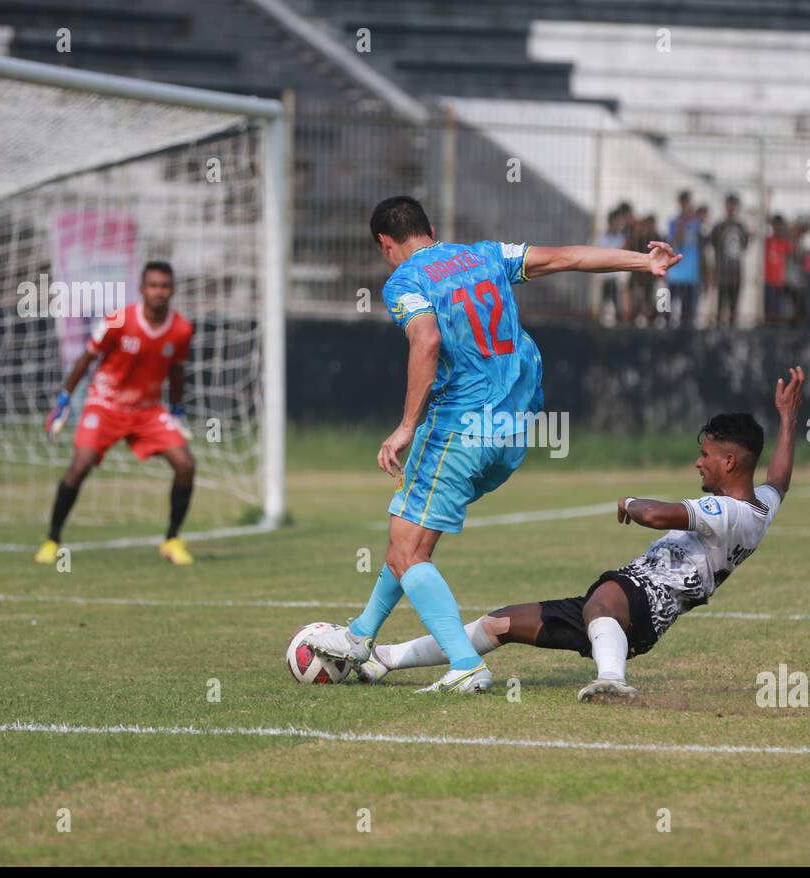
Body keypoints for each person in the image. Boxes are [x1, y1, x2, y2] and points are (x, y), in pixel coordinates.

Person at [303, 196, 683, 691]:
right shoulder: (485, 254)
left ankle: (466, 665)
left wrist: (405, 427)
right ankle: (360, 635)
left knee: (408, 553)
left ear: (386, 243)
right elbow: (567, 257)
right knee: (409, 540)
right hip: (510, 434)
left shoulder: (405, 280)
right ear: (431, 228)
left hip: (458, 428)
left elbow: (426, 341)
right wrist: (643, 261)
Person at [355, 368, 805, 700]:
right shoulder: (761, 506)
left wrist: (630, 504)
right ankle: (386, 658)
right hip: (623, 605)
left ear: (729, 463)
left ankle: (612, 682)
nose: (698, 462)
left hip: (645, 601)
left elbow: (655, 514)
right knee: (502, 622)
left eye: (706, 454)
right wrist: (787, 418)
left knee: (608, 594)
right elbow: (779, 478)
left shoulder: (729, 513)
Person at [36, 261, 196, 566]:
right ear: (142, 289)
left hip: (147, 410)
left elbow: (176, 371)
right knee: (80, 464)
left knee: (185, 464)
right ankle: (52, 540)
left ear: (172, 289)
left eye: (164, 286)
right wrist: (63, 401)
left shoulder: (181, 329)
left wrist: (177, 410)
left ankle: (172, 540)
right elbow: (87, 358)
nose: (159, 292)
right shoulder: (118, 321)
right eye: (153, 285)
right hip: (105, 404)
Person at [709, 193, 749, 326]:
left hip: (736, 271)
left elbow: (744, 247)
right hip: (722, 272)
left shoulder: (741, 227)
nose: (731, 208)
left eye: (733, 205)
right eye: (729, 204)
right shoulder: (718, 227)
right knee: (721, 306)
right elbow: (713, 248)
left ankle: (732, 333)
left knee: (734, 307)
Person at [666, 191, 703, 328]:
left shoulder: (697, 223)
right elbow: (674, 244)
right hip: (675, 274)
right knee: (667, 311)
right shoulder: (673, 222)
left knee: (688, 316)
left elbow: (702, 247)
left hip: (692, 276)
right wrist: (681, 225)